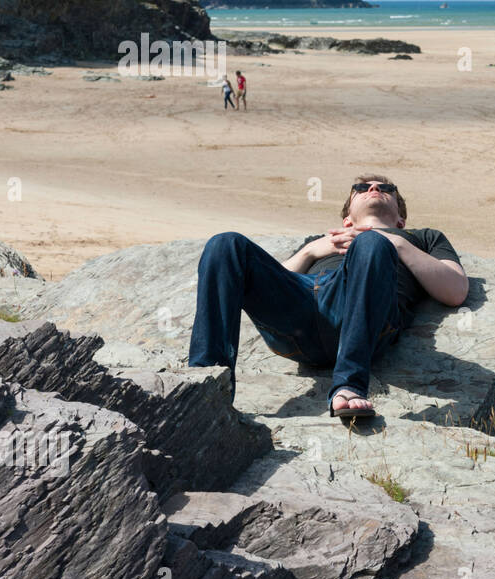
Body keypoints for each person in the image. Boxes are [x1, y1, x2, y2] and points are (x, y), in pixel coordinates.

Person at [187, 174, 468, 419]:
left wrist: (393, 242)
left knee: (371, 243)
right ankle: (207, 386)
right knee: (225, 244)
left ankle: (349, 385)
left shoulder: (423, 238)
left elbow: (455, 289)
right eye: (361, 187)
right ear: (347, 219)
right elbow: (260, 283)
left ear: (401, 219)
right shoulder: (321, 241)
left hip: (361, 315)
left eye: (386, 187)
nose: (373, 189)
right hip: (300, 311)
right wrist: (311, 251)